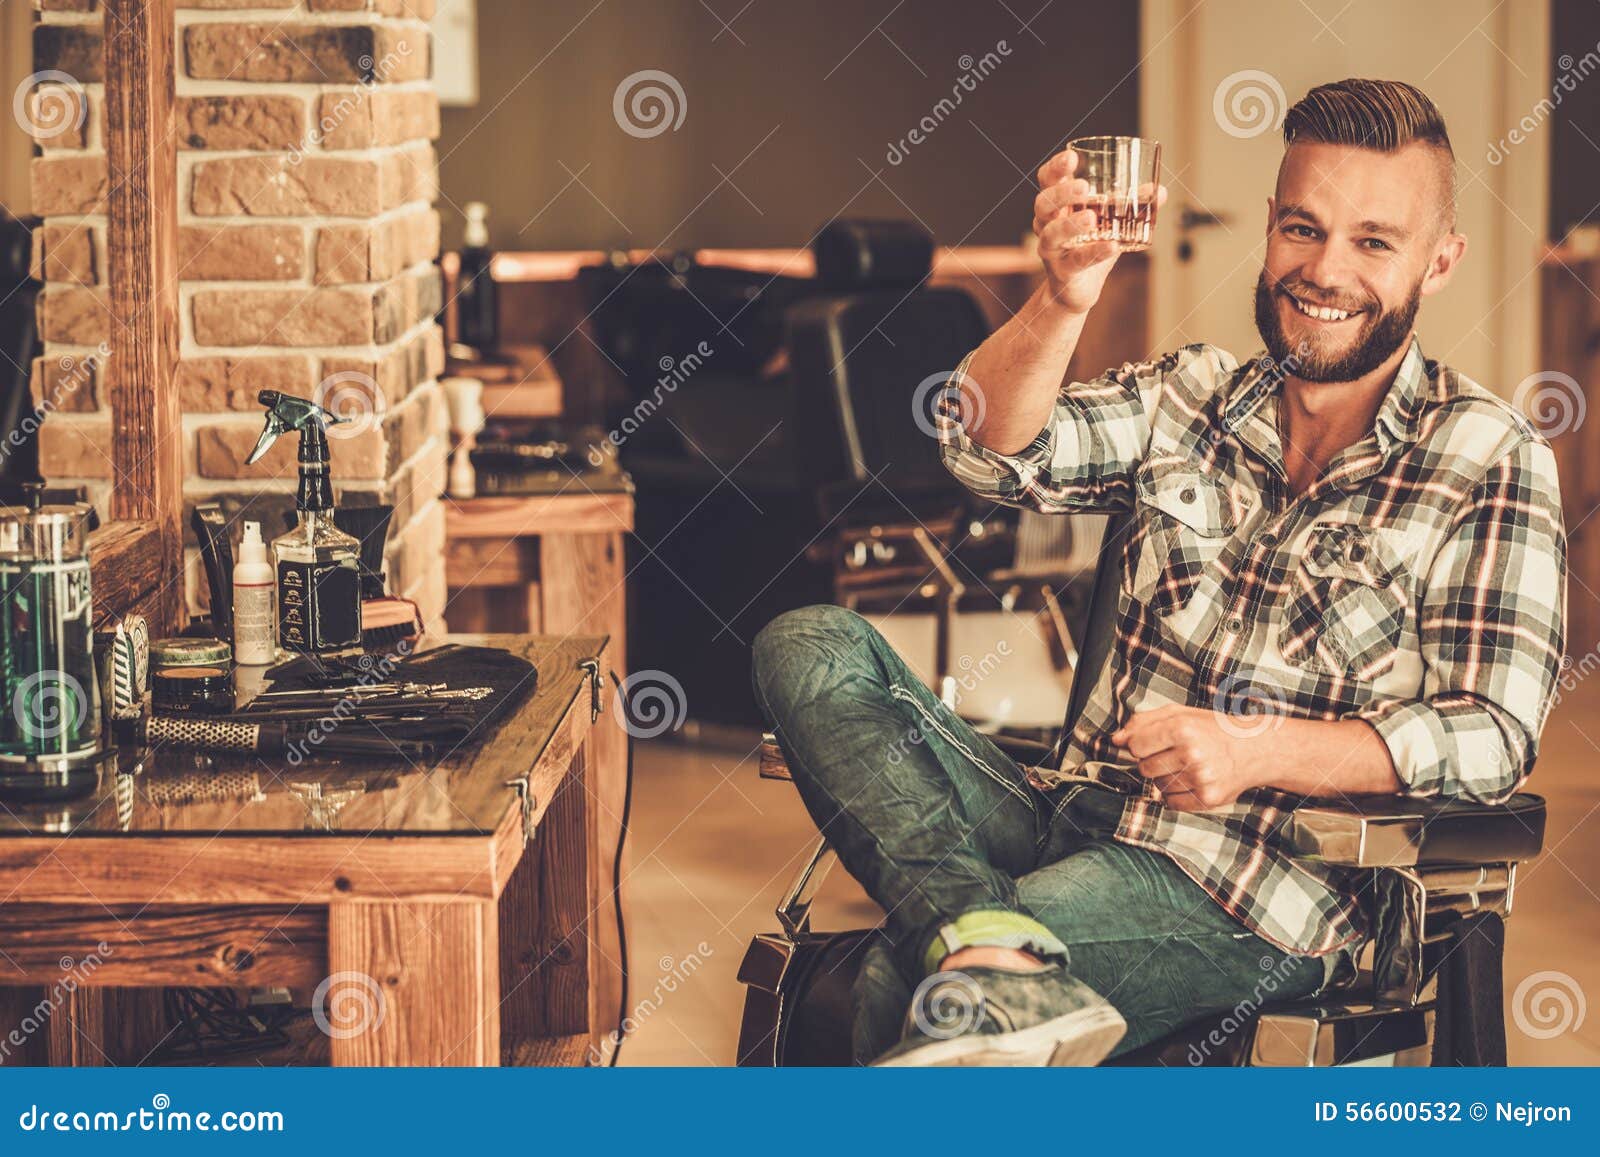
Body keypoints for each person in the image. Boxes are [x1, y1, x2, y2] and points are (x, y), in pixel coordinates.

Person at [751, 78, 1566, 1066]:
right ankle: (994, 946)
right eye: (1302, 228)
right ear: (1267, 225)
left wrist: (1258, 746)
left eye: (1372, 242)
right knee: (810, 641)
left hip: (1257, 883)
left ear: (1437, 263)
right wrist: (1061, 296)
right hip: (1069, 808)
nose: (1322, 269)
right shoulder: (1187, 393)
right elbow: (984, 453)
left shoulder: (1490, 455)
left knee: (908, 982)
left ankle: (980, 959)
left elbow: (1491, 735)